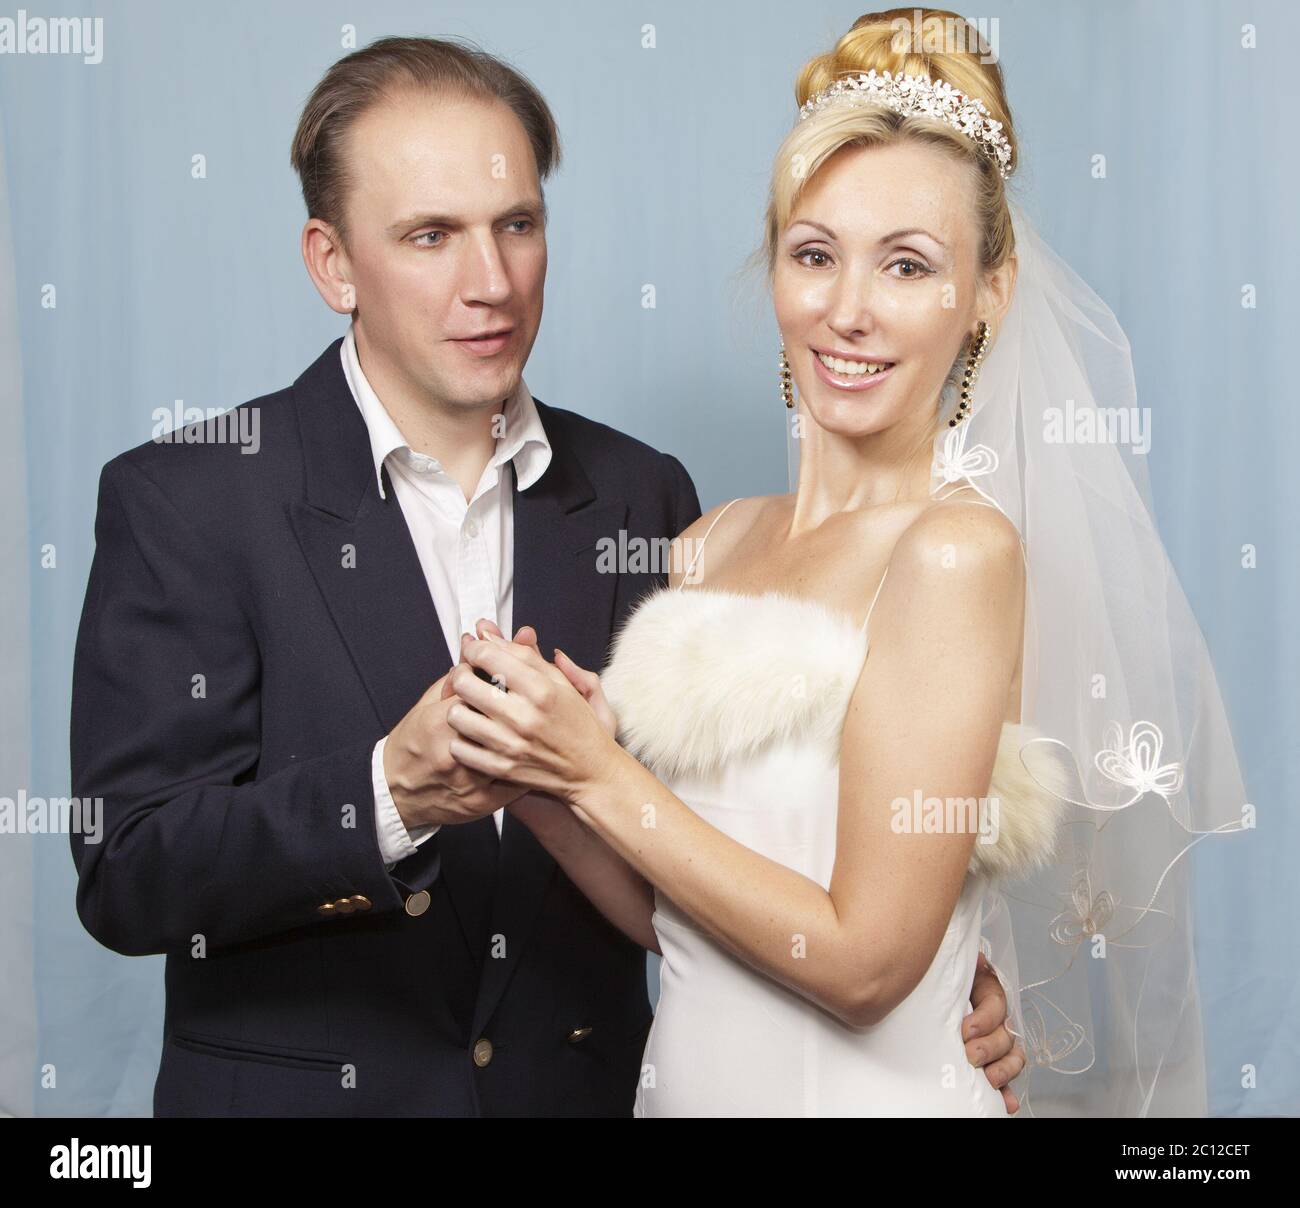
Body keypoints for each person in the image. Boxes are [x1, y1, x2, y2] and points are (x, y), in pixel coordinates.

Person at [68, 32, 1021, 1117]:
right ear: (332, 261)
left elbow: (734, 855)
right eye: (431, 234)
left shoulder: (646, 498)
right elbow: (129, 871)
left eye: (515, 225)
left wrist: (937, 956)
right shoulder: (186, 497)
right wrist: (388, 792)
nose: (490, 281)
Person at [444, 9, 1249, 1117]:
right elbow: (677, 914)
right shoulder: (709, 540)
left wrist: (599, 771)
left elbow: (867, 966)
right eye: (814, 254)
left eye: (908, 265)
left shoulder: (956, 552)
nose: (847, 310)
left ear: (985, 297)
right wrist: (542, 778)